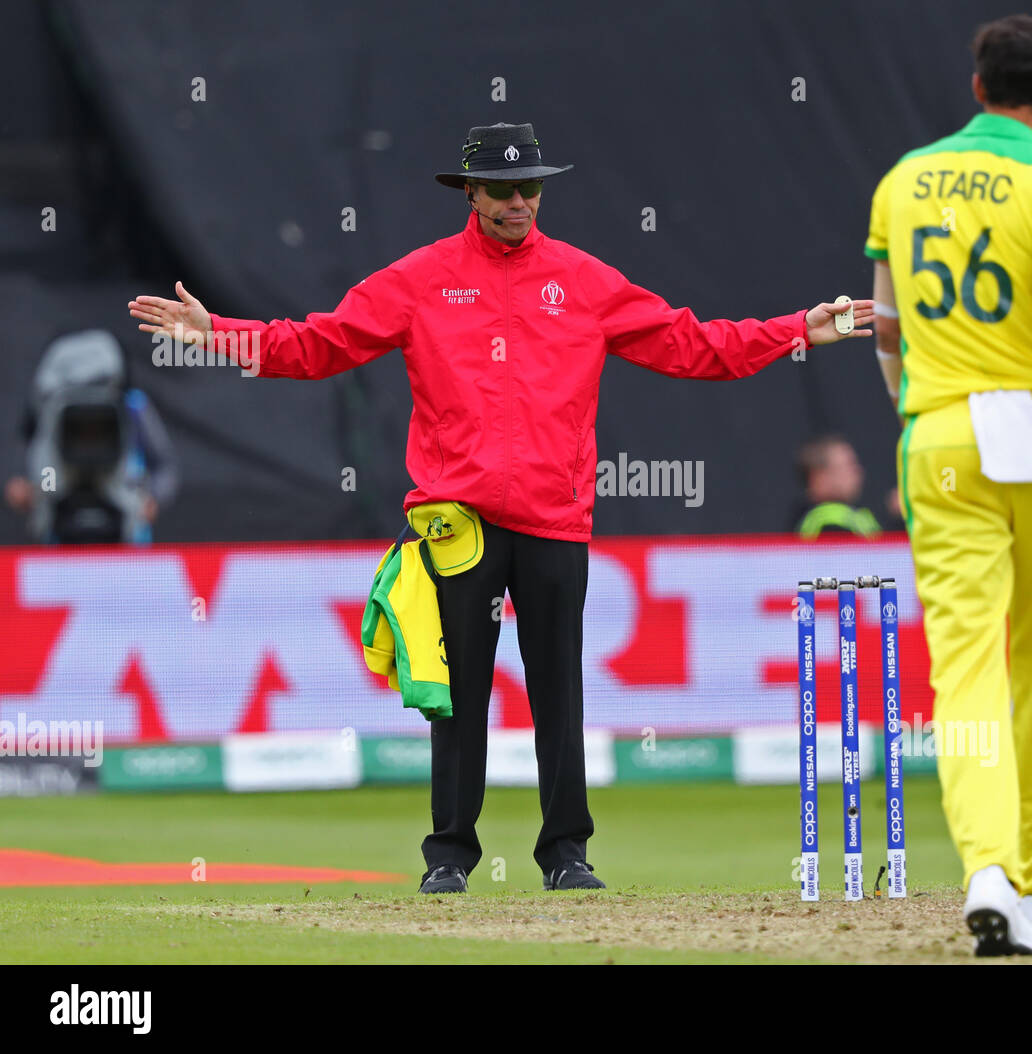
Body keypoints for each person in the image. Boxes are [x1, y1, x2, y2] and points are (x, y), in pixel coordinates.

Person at [128, 121, 874, 894]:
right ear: (471, 192)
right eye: (503, 190)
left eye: (531, 188)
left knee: (559, 692)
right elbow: (319, 345)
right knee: (458, 695)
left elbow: (694, 345)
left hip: (554, 518)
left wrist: (797, 333)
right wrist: (219, 337)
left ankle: (567, 854)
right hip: (460, 524)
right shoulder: (421, 278)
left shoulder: (584, 280)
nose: (519, 202)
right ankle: (449, 854)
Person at [864, 17, 1032, 954]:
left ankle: (984, 868)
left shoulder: (903, 179)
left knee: (965, 665)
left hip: (939, 436)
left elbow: (886, 331)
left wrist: (915, 415)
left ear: (976, 88)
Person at [4, 329, 179, 544]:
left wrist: (150, 499)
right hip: (59, 525)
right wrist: (33, 492)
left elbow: (164, 465)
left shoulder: (132, 406)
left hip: (125, 524)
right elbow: (38, 468)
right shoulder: (48, 413)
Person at [791, 434, 881, 537]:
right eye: (848, 466)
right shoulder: (821, 524)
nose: (858, 472)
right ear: (820, 477)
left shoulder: (859, 513)